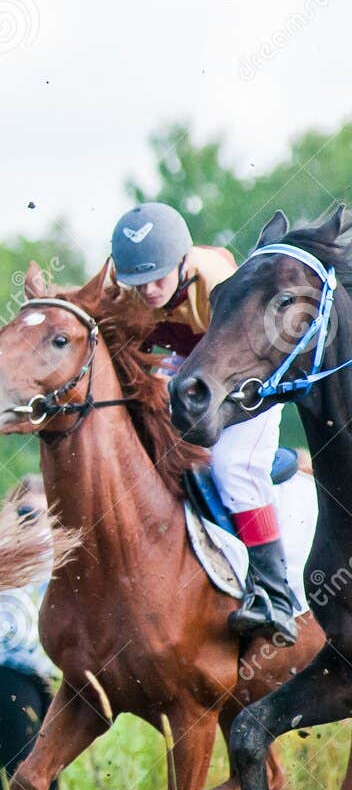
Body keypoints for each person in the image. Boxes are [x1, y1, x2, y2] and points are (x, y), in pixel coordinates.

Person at [111, 202, 294, 643]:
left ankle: (276, 595)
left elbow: (253, 353)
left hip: (249, 379)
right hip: (190, 374)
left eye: (158, 278)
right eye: (139, 282)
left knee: (232, 465)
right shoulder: (120, 291)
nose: (150, 291)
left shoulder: (216, 279)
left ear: (182, 263)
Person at [0, 476, 59, 790]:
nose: (32, 519)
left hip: (48, 670)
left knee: (52, 760)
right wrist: (13, 526)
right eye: (26, 511)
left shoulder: (59, 546)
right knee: (17, 757)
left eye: (41, 512)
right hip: (6, 670)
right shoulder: (2, 546)